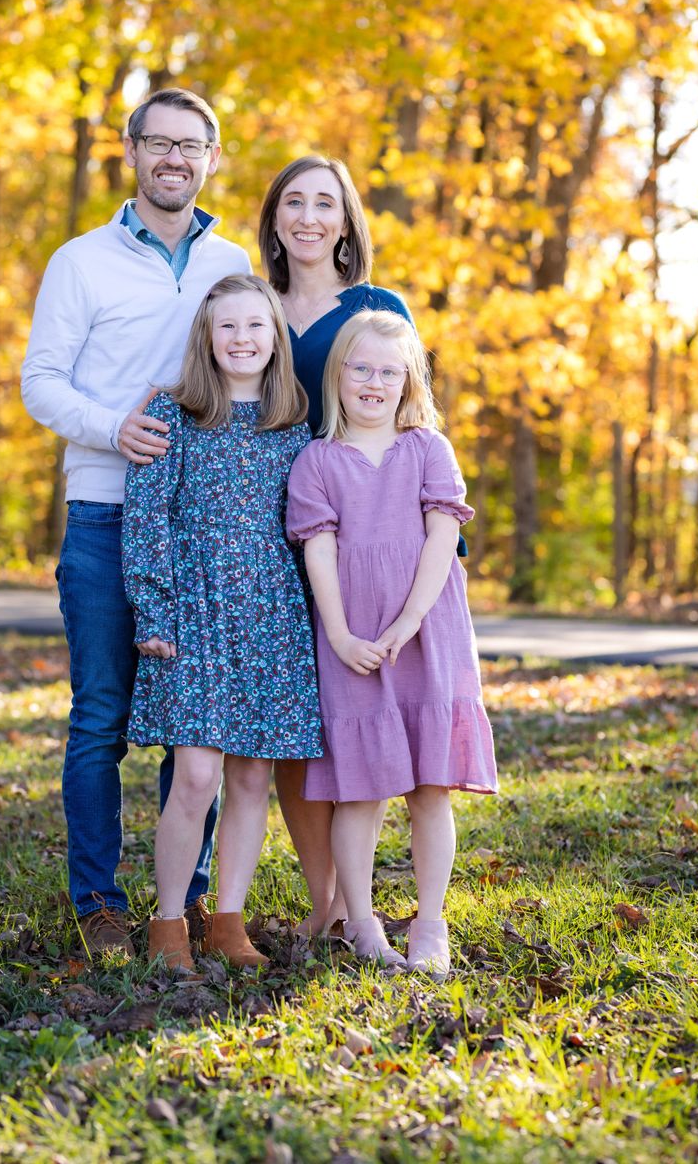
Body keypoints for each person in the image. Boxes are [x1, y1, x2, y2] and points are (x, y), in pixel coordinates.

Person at [21, 89, 250, 958]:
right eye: (159, 143)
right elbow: (41, 381)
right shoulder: (80, 261)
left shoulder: (231, 262)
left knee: (195, 725)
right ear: (131, 150)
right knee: (101, 720)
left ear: (212, 158)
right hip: (103, 512)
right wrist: (111, 427)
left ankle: (181, 901)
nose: (174, 159)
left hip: (201, 529)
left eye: (191, 146)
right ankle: (98, 904)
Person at [286, 310, 498, 974]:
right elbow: (319, 553)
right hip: (352, 640)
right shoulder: (317, 462)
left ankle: (430, 922)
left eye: (388, 370)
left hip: (427, 632)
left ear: (407, 380)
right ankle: (363, 922)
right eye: (361, 368)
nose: (373, 382)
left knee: (430, 787)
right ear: (337, 375)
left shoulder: (428, 448)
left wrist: (408, 622)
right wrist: (341, 635)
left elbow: (442, 540)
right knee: (361, 788)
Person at [122, 274, 322, 971]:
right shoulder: (174, 414)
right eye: (228, 326)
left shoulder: (290, 424)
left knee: (251, 779)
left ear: (275, 338)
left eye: (256, 326)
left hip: (270, 617)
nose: (242, 339)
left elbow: (308, 527)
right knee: (196, 775)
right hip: (195, 613)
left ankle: (228, 925)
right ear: (207, 337)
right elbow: (146, 517)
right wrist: (153, 607)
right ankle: (168, 923)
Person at [257, 155, 414, 937]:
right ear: (274, 218)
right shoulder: (252, 304)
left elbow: (410, 417)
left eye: (326, 203)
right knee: (294, 724)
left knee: (357, 712)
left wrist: (425, 539)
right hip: (262, 532)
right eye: (295, 202)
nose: (309, 217)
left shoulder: (378, 307)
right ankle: (328, 903)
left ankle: (358, 902)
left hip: (361, 536)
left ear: (347, 221)